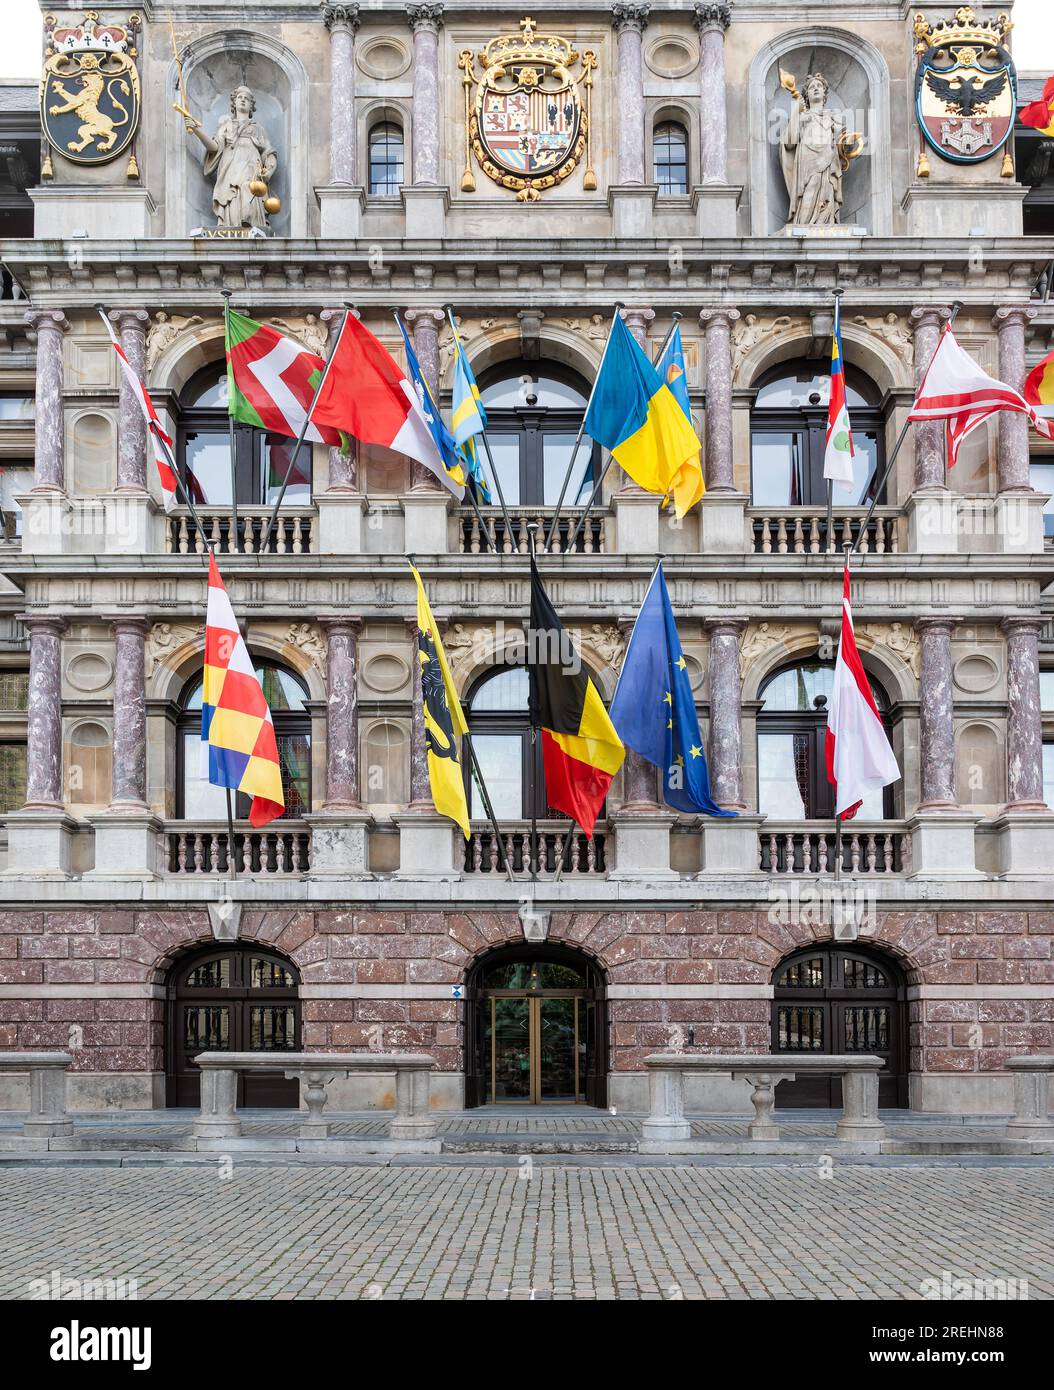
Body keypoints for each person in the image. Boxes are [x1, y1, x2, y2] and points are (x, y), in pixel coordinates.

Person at [183, 85, 277, 231]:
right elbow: (214, 147)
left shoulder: (258, 129)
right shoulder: (226, 127)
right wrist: (196, 130)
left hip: (251, 168)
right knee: (232, 195)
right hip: (230, 168)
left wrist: (269, 170)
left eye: (247, 98)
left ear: (252, 105)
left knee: (248, 189)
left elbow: (269, 152)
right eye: (240, 97)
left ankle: (251, 224)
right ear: (234, 103)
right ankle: (232, 227)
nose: (243, 100)